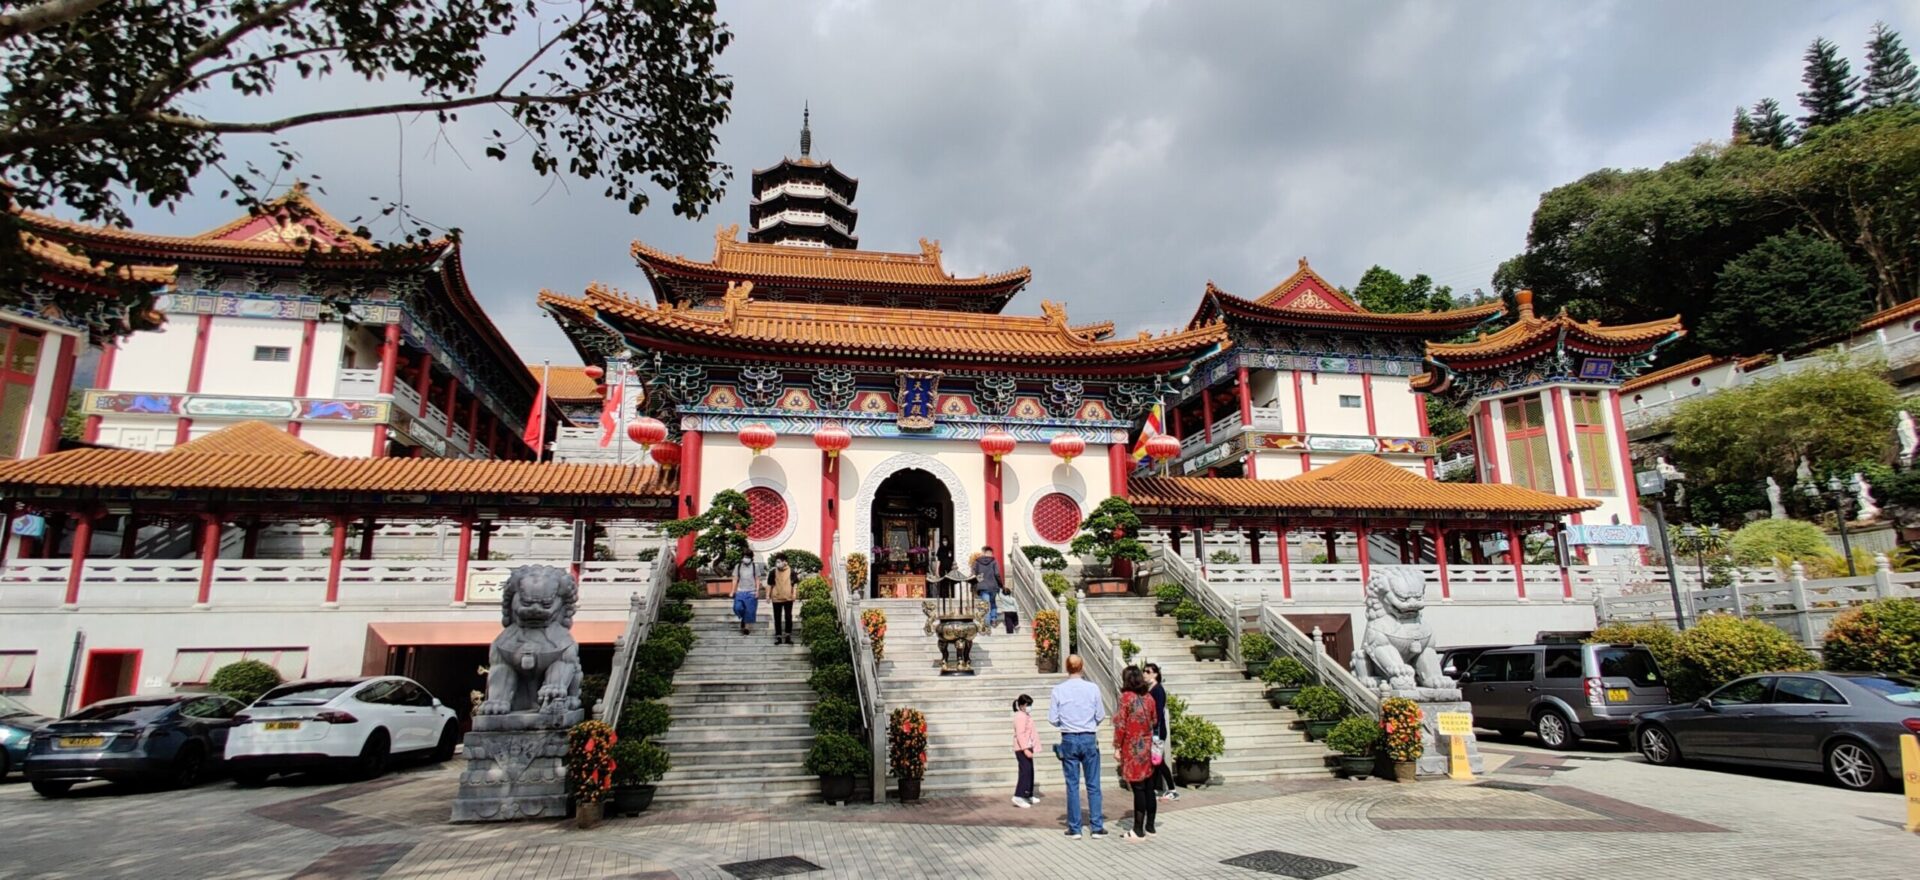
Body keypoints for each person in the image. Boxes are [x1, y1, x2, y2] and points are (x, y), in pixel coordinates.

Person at [1048, 654, 1106, 839]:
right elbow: (1100, 715)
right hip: (1089, 736)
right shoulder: (1093, 688)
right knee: (1093, 784)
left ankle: (1075, 827)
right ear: (1082, 667)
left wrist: (1065, 724)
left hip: (1069, 737)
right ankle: (1096, 826)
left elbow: (1053, 718)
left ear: (1067, 668)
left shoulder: (1059, 690)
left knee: (1072, 784)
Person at [1113, 665, 1158, 841]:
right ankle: (1151, 825)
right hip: (1147, 744)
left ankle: (1138, 829)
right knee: (1148, 786)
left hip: (1132, 746)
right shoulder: (1149, 698)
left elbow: (1120, 725)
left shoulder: (1126, 698)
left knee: (1138, 787)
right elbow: (1154, 720)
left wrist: (1117, 746)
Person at [1144, 663, 1178, 800]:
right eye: (1144, 671)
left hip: (1157, 730)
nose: (1145, 674)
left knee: (1158, 760)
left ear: (1155, 674)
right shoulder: (1149, 689)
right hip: (1152, 729)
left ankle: (1172, 788)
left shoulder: (1158, 690)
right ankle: (1153, 788)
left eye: (1148, 671)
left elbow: (1158, 711)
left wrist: (1153, 726)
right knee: (1154, 760)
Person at [1011, 694, 1040, 808]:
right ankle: (1018, 795)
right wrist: (1025, 749)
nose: (1030, 707)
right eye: (1028, 705)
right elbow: (1020, 734)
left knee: (1030, 771)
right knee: (1025, 771)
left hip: (1028, 746)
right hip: (1022, 748)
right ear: (1022, 705)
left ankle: (1028, 794)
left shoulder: (1026, 715)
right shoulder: (1020, 716)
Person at [731, 552, 763, 636]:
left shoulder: (754, 566)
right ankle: (744, 619)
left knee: (749, 611)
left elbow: (757, 579)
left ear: (751, 558)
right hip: (740, 591)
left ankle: (746, 628)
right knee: (737, 608)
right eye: (745, 556)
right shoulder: (738, 566)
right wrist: (732, 590)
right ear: (742, 557)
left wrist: (757, 591)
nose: (746, 558)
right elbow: (735, 579)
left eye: (748, 557)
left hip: (751, 591)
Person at [767, 554, 796, 644]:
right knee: (777, 617)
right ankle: (778, 636)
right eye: (776, 562)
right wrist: (767, 595)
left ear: (785, 562)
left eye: (779, 561)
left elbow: (795, 584)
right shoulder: (773, 572)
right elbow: (769, 584)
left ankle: (788, 635)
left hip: (788, 598)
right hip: (776, 598)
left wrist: (794, 594)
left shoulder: (791, 571)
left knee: (788, 617)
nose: (777, 563)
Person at [973, 545, 1001, 636]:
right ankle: (993, 620)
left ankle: (987, 625)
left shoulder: (977, 562)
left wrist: (976, 584)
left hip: (983, 586)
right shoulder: (994, 561)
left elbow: (973, 573)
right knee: (992, 603)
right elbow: (997, 574)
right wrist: (1001, 584)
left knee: (985, 606)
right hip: (993, 586)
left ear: (984, 552)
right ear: (990, 553)